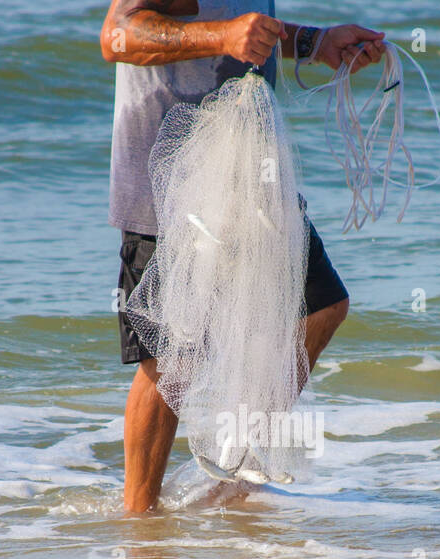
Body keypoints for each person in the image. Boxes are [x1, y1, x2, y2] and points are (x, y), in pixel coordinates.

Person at [99, 1, 386, 512]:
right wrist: (220, 36)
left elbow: (250, 24)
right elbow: (118, 36)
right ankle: (139, 523)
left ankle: (231, 476)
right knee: (170, 360)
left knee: (319, 307)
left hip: (253, 175)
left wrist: (314, 42)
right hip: (166, 184)